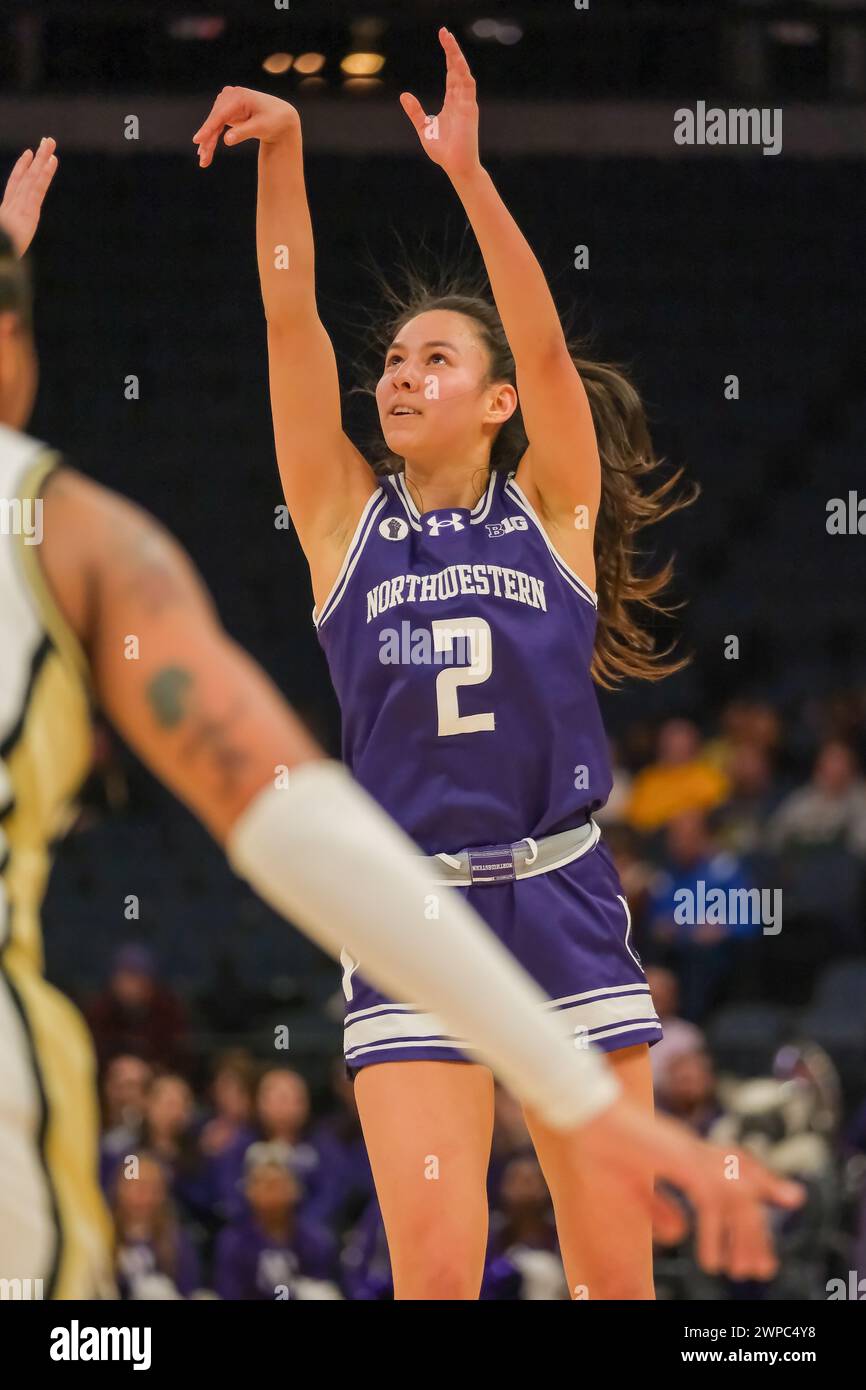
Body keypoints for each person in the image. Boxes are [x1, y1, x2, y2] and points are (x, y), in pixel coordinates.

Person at [0, 135, 799, 1301]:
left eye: (435, 360)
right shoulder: (343, 523)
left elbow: (537, 336)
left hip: (561, 897)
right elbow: (290, 323)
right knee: (432, 1277)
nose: (401, 376)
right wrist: (283, 155)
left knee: (612, 1283)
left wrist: (470, 175)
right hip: (406, 906)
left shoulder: (553, 510)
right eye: (392, 361)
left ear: (498, 401)